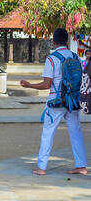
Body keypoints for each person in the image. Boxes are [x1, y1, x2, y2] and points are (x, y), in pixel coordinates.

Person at [21, 28, 87, 175]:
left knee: (48, 133)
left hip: (56, 102)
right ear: (67, 41)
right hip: (73, 101)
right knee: (76, 132)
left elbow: (46, 84)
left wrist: (29, 85)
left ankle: (41, 167)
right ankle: (81, 166)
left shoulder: (52, 59)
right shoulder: (75, 57)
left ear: (54, 41)